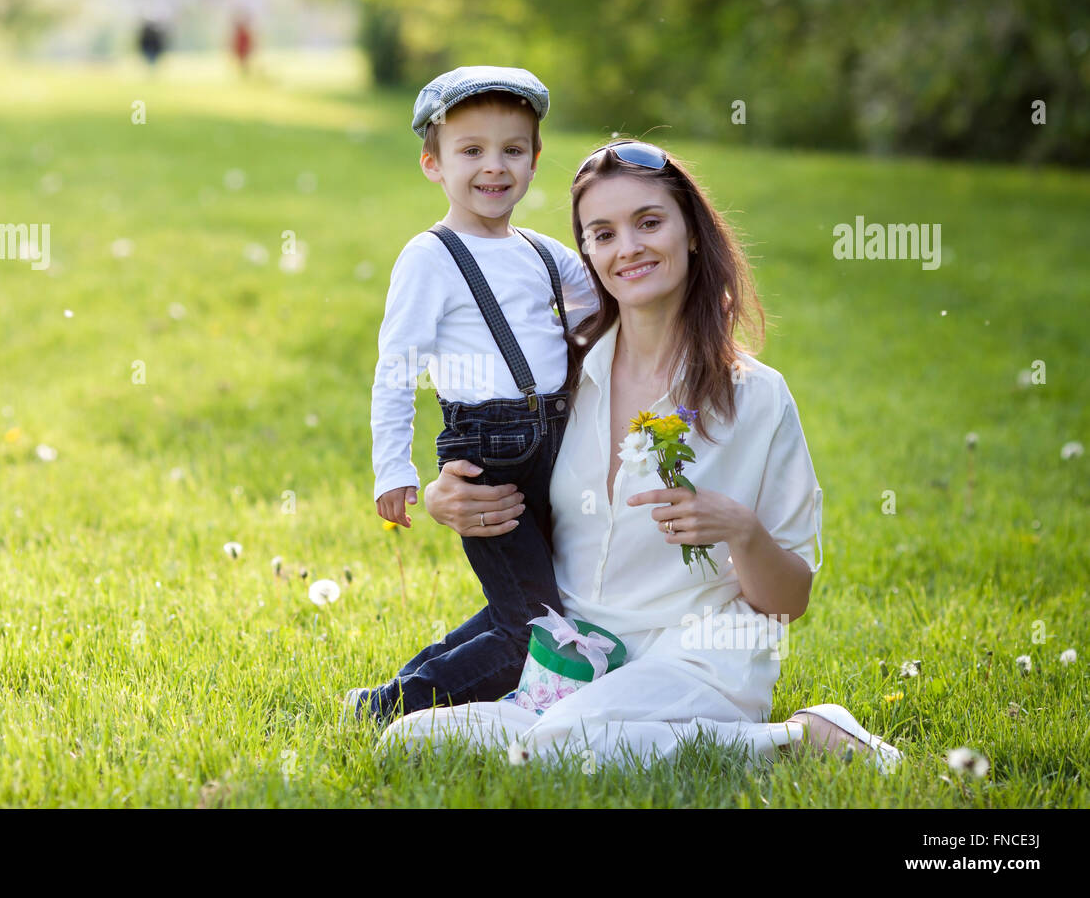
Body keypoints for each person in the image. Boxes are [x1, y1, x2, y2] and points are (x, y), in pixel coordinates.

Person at [376, 140, 903, 774]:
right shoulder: (561, 375)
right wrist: (443, 496)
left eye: (649, 222)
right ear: (588, 253)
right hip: (577, 654)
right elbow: (495, 466)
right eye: (603, 233)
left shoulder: (756, 397)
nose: (627, 247)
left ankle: (800, 736)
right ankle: (587, 728)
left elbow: (789, 599)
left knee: (564, 743)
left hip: (700, 655)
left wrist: (739, 528)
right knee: (408, 741)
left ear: (693, 235)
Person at [351, 66, 600, 723]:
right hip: (488, 453)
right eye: (472, 151)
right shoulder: (430, 255)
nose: (495, 167)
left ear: (536, 159)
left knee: (529, 601)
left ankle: (405, 680)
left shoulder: (548, 256)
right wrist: (394, 467)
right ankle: (391, 707)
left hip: (556, 442)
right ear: (432, 163)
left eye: (512, 150)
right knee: (532, 631)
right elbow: (396, 368)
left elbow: (610, 314)